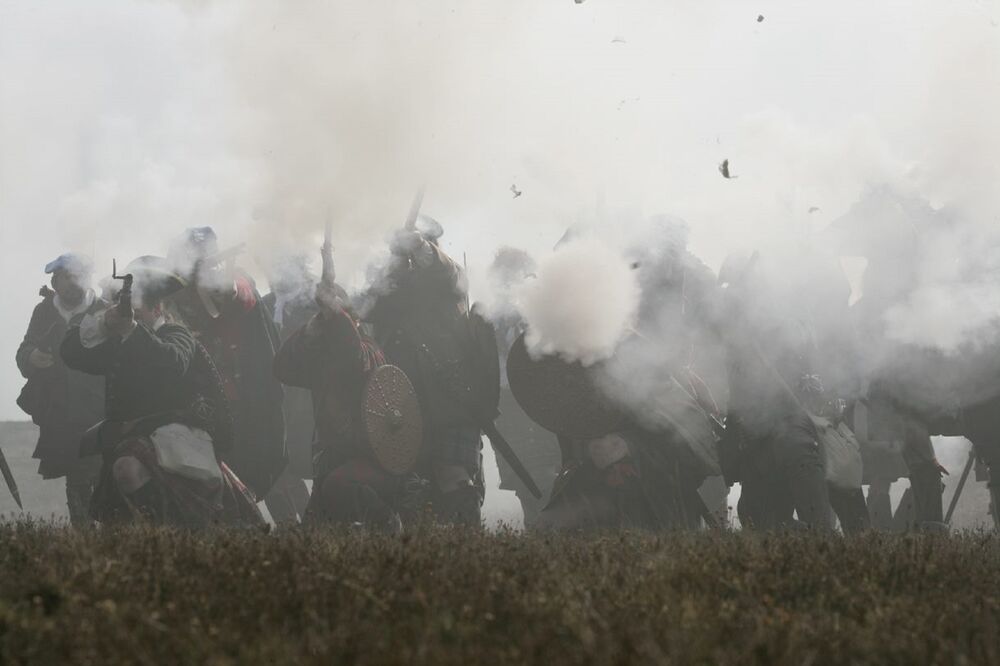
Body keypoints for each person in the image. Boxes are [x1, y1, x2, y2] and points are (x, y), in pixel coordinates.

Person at [60, 256, 262, 526]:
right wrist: (105, 324)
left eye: (137, 307)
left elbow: (170, 363)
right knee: (122, 481)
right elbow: (71, 353)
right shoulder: (120, 338)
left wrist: (131, 329)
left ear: (156, 308)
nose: (130, 312)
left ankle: (160, 533)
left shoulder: (177, 334)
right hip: (132, 440)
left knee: (128, 470)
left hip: (179, 441)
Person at [363, 221, 497, 526]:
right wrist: (391, 268)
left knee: (454, 477)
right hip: (404, 399)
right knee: (410, 486)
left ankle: (473, 551)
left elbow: (447, 272)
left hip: (452, 398)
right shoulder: (393, 285)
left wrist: (422, 249)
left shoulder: (446, 276)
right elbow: (368, 306)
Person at [274, 281, 419, 530]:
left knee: (339, 489)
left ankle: (388, 525)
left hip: (369, 458)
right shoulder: (323, 359)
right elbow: (283, 369)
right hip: (334, 459)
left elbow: (351, 354)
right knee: (316, 535)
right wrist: (309, 330)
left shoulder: (369, 350)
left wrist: (336, 313)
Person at [167, 227, 287, 504]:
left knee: (249, 477)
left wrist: (226, 287)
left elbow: (239, 293)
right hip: (198, 404)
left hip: (241, 401)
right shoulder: (177, 295)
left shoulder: (233, 280)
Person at [717, 251, 835, 531]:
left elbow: (801, 344)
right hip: (755, 435)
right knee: (757, 521)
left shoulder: (784, 316)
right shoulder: (733, 325)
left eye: (738, 284)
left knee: (816, 520)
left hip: (790, 430)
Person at [16, 253, 105, 525]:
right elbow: (25, 349)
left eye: (77, 276)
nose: (72, 283)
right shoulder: (43, 311)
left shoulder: (103, 309)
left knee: (99, 475)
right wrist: (32, 357)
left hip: (98, 410)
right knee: (76, 480)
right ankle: (85, 541)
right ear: (55, 282)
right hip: (60, 412)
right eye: (66, 277)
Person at [484, 247, 561, 528]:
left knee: (546, 474)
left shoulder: (544, 310)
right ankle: (536, 535)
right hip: (505, 404)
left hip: (540, 401)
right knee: (521, 478)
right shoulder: (486, 318)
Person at [261, 255, 319, 523]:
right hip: (275, 399)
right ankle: (292, 532)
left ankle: (318, 528)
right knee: (275, 469)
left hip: (310, 398)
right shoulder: (265, 304)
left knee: (317, 466)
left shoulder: (318, 300)